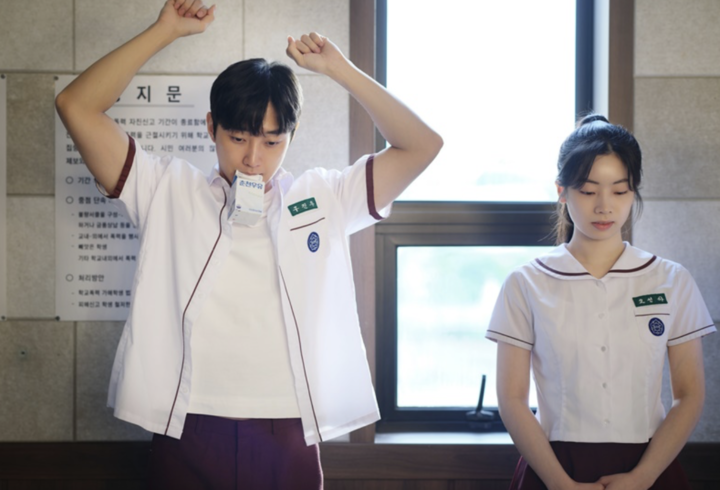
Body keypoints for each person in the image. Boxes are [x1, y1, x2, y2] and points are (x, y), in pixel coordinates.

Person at [55, 0, 442, 488]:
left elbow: (422, 145)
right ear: (210, 126)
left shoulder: (324, 197)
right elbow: (75, 106)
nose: (254, 159)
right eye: (238, 138)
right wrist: (164, 30)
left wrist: (339, 70)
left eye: (272, 142)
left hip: (289, 428)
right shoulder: (166, 189)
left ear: (292, 136)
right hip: (187, 422)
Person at [486, 114, 715, 490]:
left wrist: (642, 477)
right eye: (588, 191)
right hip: (553, 468)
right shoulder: (526, 283)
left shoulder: (672, 279)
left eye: (620, 191)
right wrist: (561, 484)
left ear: (634, 191)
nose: (605, 206)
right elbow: (511, 398)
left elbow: (689, 395)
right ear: (562, 191)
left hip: (650, 467)